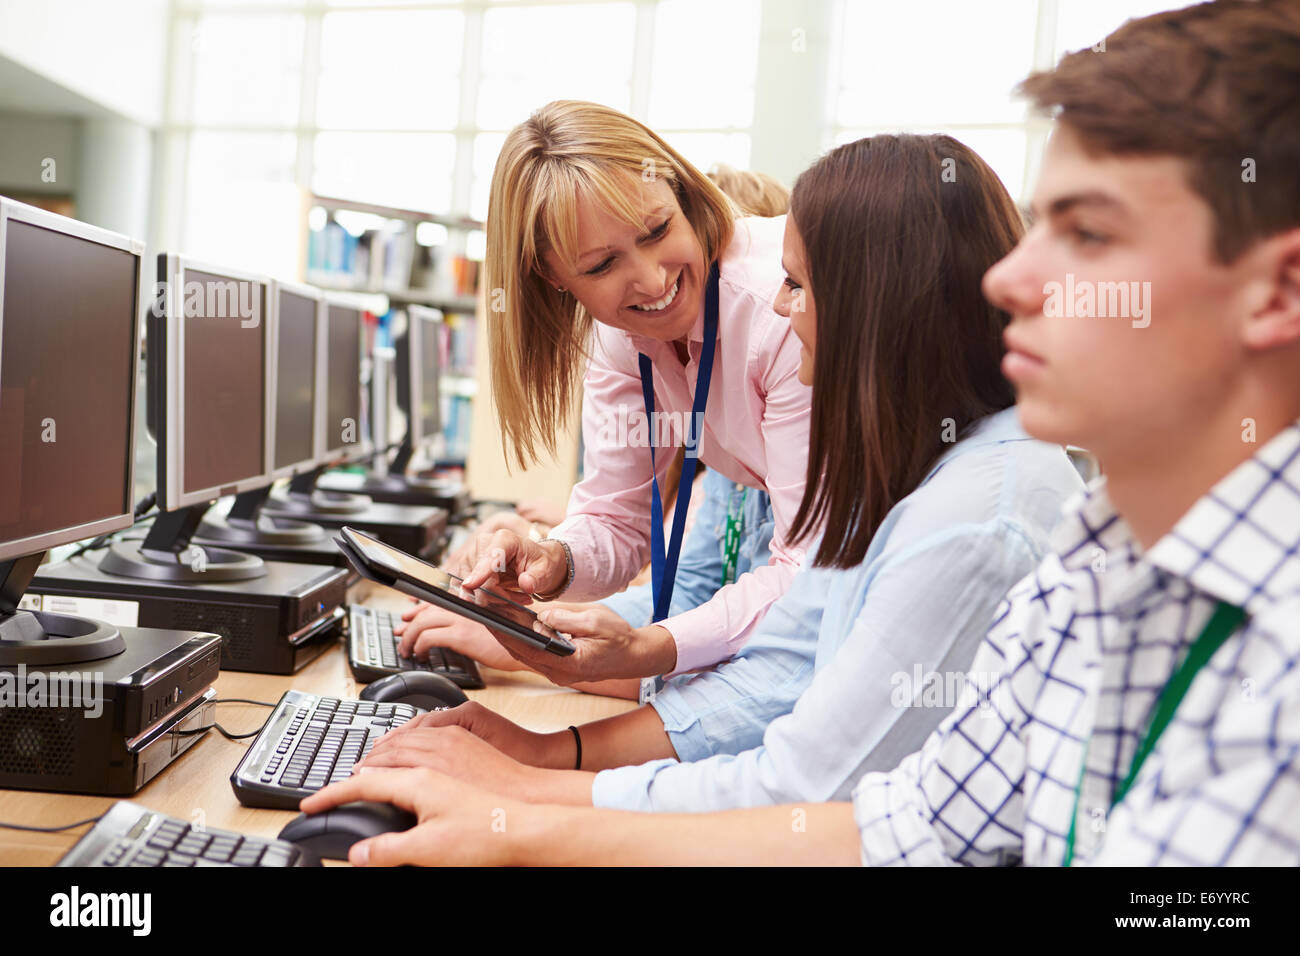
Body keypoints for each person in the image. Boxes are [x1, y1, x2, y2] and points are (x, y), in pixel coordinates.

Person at [303, 0, 1300, 865]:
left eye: (1086, 234)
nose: (1007, 278)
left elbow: (808, 759)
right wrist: (524, 768)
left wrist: (540, 781)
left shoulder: (993, 513)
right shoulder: (1092, 561)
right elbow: (904, 814)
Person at [347, 133, 1084, 806]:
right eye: (601, 266)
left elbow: (798, 777)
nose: (776, 303)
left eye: (796, 285)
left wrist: (533, 781)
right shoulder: (922, 487)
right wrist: (553, 570)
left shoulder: (965, 519)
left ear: (875, 307)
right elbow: (787, 662)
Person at [443, 101, 813, 686]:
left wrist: (650, 649)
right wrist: (549, 560)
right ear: (552, 276)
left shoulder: (781, 311)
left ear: (683, 195)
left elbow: (807, 574)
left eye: (659, 230)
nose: (652, 280)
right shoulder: (619, 338)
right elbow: (621, 519)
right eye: (602, 265)